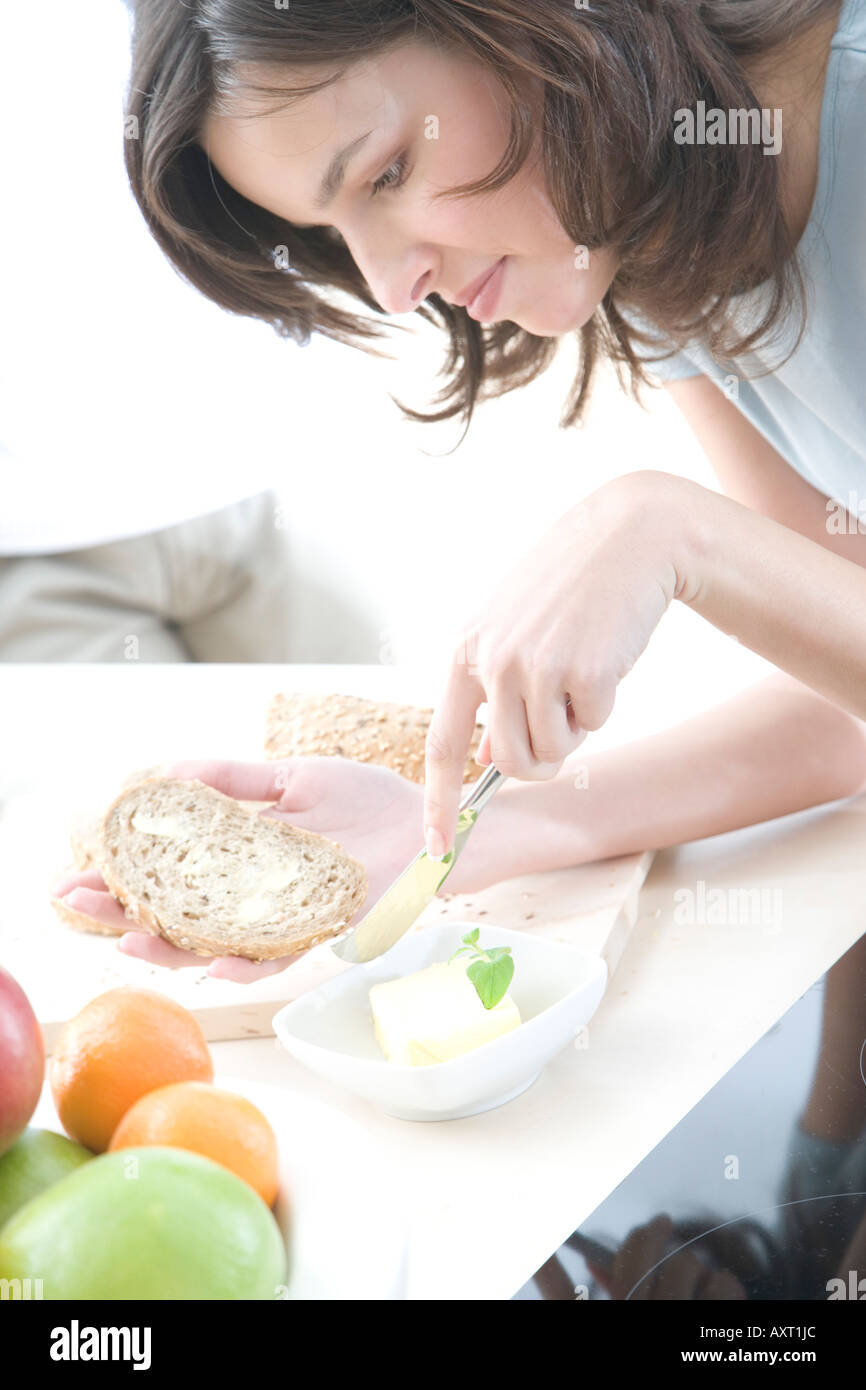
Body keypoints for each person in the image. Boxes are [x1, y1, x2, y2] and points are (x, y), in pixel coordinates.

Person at [53, 0, 866, 973]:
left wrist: (673, 531)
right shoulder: (656, 243)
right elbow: (839, 690)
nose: (390, 284)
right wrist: (461, 839)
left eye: (386, 171)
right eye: (330, 228)